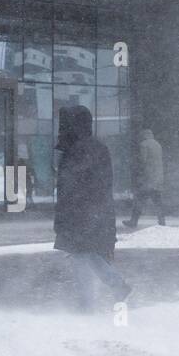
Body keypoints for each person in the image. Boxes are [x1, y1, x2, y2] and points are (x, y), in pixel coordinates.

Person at [54, 104, 129, 309]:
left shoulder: (77, 150)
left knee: (81, 256)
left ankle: (87, 304)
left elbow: (71, 186)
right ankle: (116, 286)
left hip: (80, 213)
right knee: (88, 254)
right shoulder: (94, 147)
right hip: (92, 212)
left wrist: (66, 216)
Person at [124, 128, 165, 229]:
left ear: (144, 135)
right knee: (157, 200)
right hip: (158, 177)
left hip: (148, 178)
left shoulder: (144, 145)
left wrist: (137, 171)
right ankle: (162, 221)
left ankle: (133, 221)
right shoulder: (158, 144)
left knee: (139, 199)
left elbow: (143, 161)